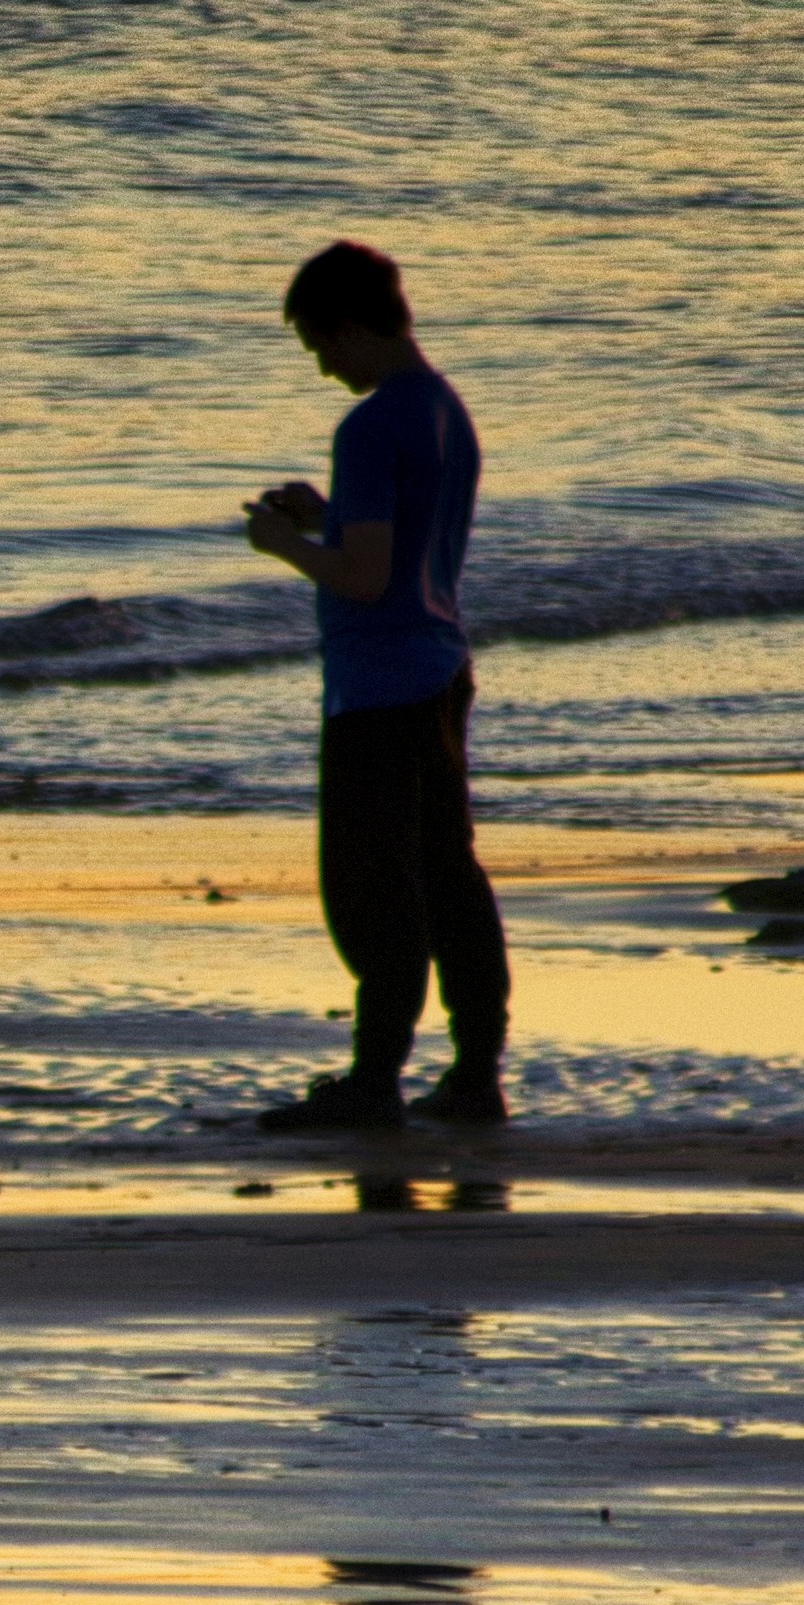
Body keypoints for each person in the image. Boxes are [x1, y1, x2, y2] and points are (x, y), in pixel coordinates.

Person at [239, 239, 508, 1129]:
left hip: (379, 685)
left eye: (321, 345)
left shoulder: (371, 425)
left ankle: (373, 1079)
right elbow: (394, 541)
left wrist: (284, 546)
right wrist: (331, 516)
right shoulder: (443, 407)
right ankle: (475, 1071)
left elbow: (360, 578)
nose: (322, 367)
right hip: (440, 667)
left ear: (352, 325)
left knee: (370, 888)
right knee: (448, 876)